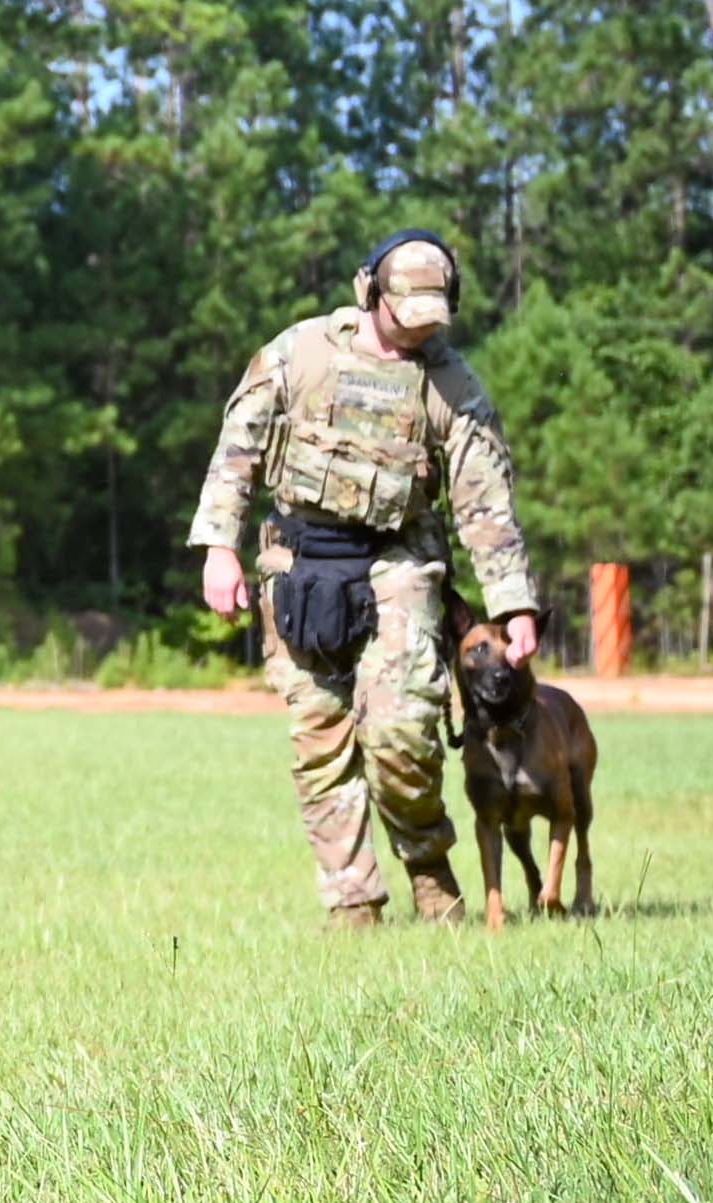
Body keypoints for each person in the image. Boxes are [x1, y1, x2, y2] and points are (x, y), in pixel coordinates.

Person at [188, 233, 541, 928]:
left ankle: (430, 869)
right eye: (407, 313)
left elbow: (485, 503)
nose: (420, 330)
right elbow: (237, 451)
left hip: (399, 561)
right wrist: (218, 549)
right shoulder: (301, 352)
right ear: (370, 294)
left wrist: (513, 603)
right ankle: (353, 902)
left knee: (403, 729)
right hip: (302, 561)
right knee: (320, 739)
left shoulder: (452, 386)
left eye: (433, 317)